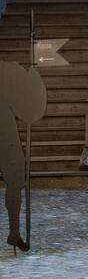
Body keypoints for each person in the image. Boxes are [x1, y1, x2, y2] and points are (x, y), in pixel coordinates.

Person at [0, 58, 47, 253]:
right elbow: (27, 105)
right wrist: (30, 74)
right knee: (14, 178)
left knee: (15, 177)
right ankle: (14, 231)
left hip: (5, 131)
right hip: (4, 130)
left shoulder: (7, 69)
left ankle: (14, 232)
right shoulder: (7, 69)